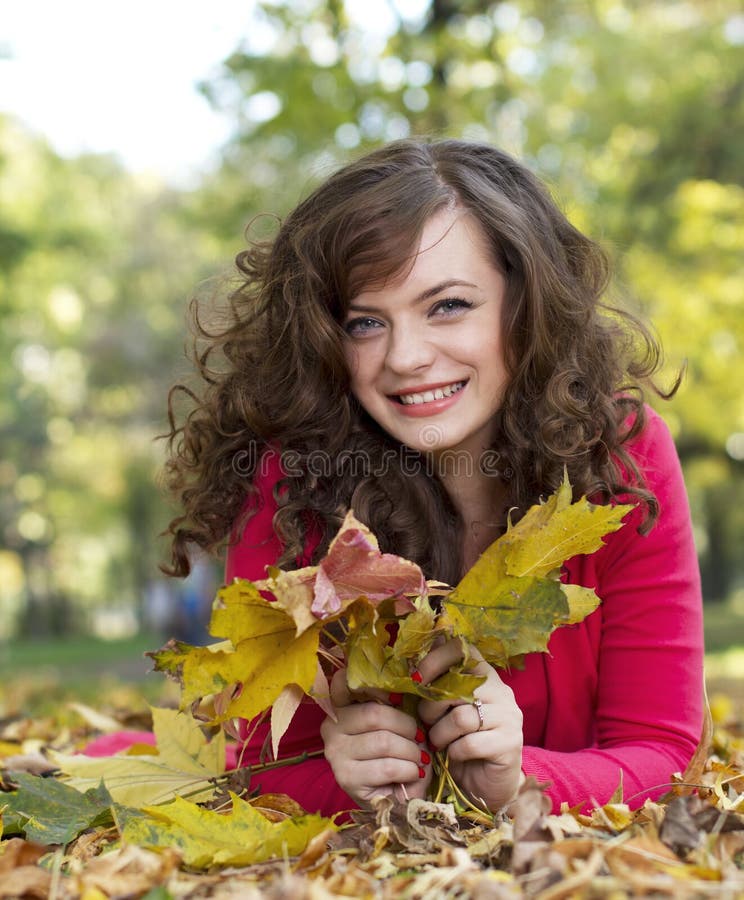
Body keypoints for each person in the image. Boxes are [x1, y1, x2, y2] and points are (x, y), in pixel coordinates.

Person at [163, 138, 704, 818]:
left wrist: (518, 782)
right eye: (365, 322)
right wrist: (349, 784)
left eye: (447, 305)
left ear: (523, 302)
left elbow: (663, 752)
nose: (407, 357)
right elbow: (258, 765)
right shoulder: (291, 480)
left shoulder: (622, 458)